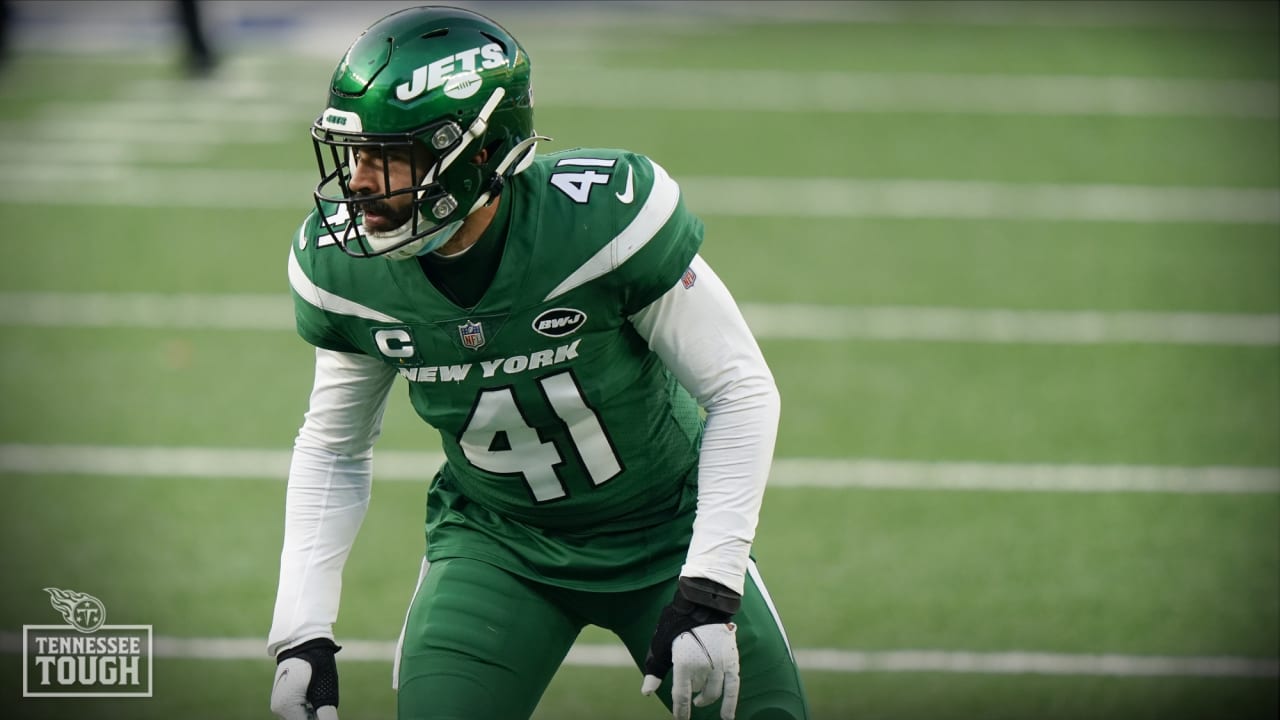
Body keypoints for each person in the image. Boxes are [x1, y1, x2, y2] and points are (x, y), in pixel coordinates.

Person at [267, 6, 810, 720]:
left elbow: (741, 391)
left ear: (478, 152)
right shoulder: (346, 269)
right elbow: (334, 448)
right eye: (355, 153)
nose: (360, 182)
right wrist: (302, 633)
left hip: (665, 532)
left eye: (388, 156)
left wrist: (710, 587)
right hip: (499, 546)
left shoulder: (599, 223)